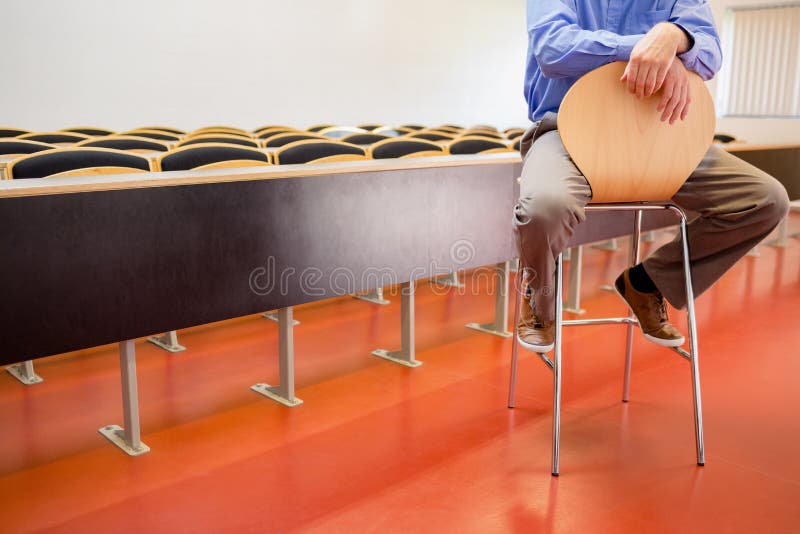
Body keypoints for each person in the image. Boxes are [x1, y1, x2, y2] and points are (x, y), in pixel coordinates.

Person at [515, 0, 790, 351]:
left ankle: (648, 283)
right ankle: (539, 296)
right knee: (544, 206)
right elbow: (553, 49)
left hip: (659, 132)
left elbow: (710, 56)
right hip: (566, 128)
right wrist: (652, 48)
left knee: (765, 199)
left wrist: (673, 35)